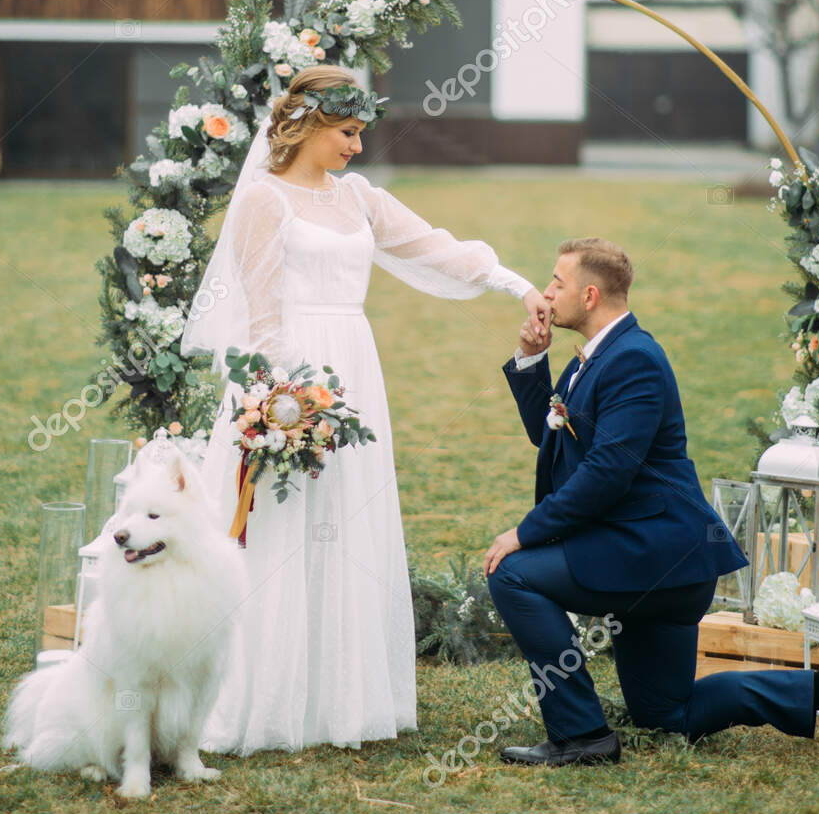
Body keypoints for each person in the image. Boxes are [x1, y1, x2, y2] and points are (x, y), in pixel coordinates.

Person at [181, 65, 548, 753]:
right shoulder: (263, 201)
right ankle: (266, 699)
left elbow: (436, 248)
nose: (356, 145)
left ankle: (340, 700)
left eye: (359, 134)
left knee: (345, 520)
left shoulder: (359, 200)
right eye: (347, 132)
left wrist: (515, 283)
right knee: (284, 527)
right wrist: (281, 403)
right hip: (289, 380)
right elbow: (261, 313)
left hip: (354, 364)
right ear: (309, 125)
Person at [484, 237, 819, 766]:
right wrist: (531, 361)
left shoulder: (635, 360)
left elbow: (607, 474)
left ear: (588, 295)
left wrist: (524, 533)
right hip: (650, 564)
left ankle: (581, 735)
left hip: (654, 559)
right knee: (667, 713)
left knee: (511, 573)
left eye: (556, 283)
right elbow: (553, 439)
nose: (544, 292)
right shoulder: (597, 357)